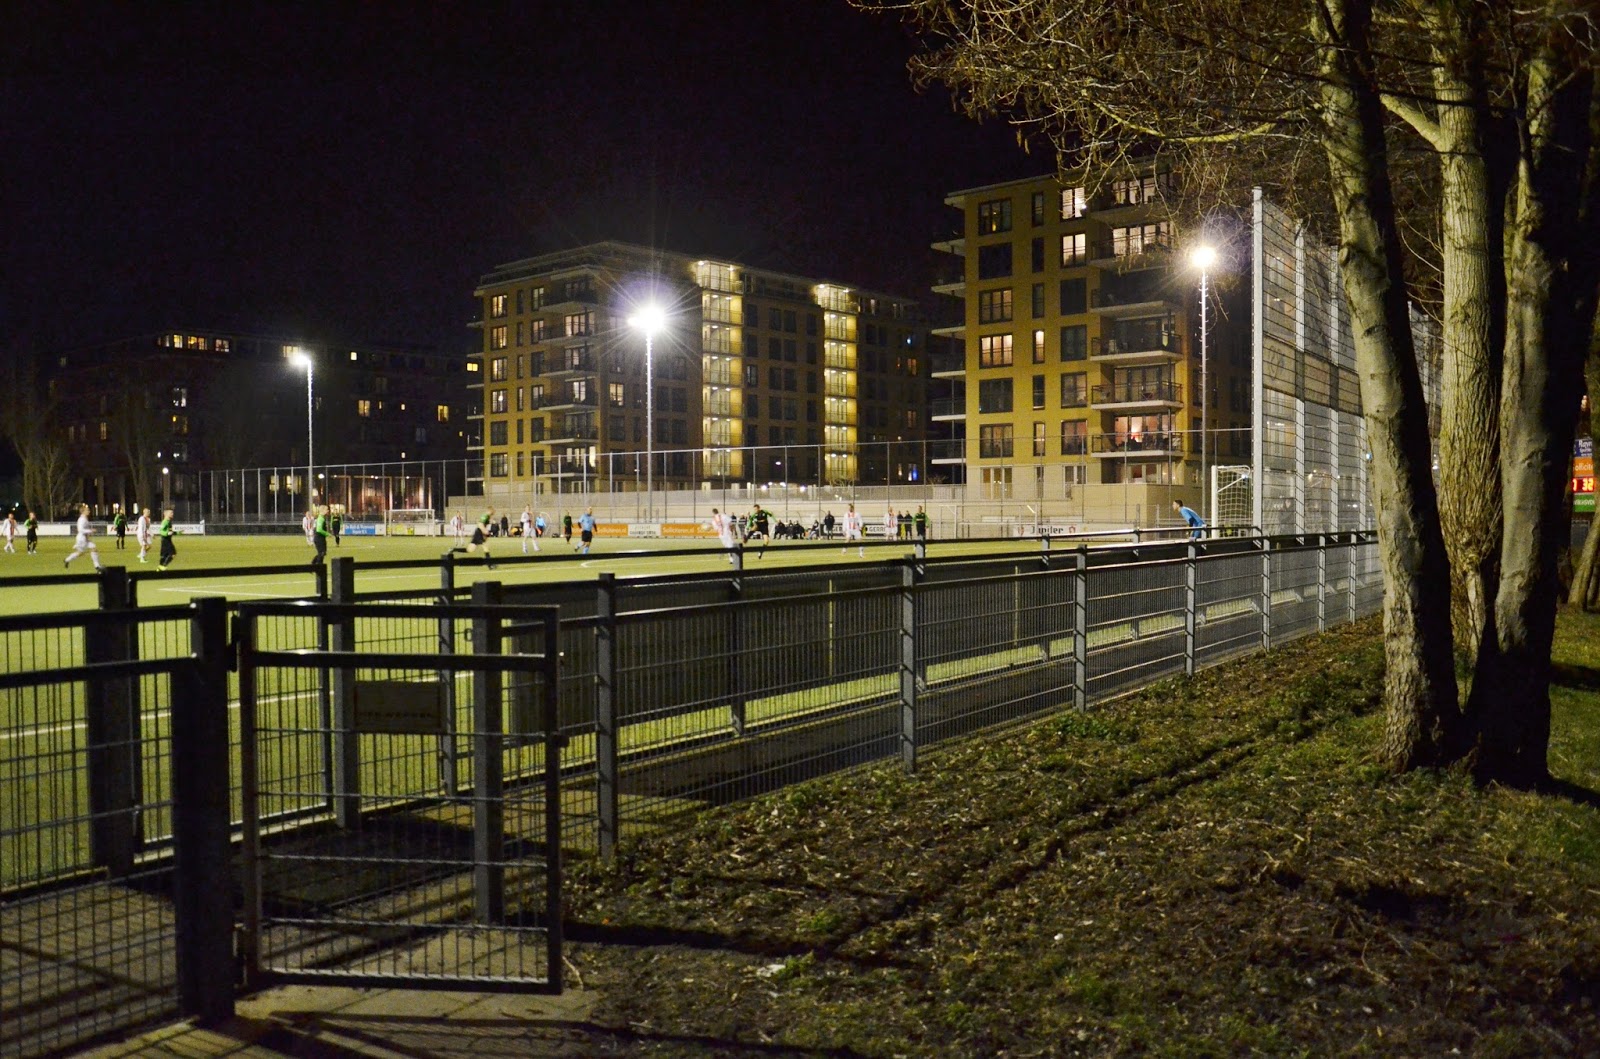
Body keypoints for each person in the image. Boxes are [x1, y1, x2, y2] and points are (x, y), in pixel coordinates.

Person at [64, 503, 104, 571]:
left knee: (93, 548)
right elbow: (80, 530)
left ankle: (97, 566)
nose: (89, 511)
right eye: (87, 510)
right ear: (83, 511)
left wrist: (89, 533)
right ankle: (67, 560)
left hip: (84, 538)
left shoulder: (84, 518)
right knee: (81, 553)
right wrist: (90, 530)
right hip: (81, 539)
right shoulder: (81, 519)